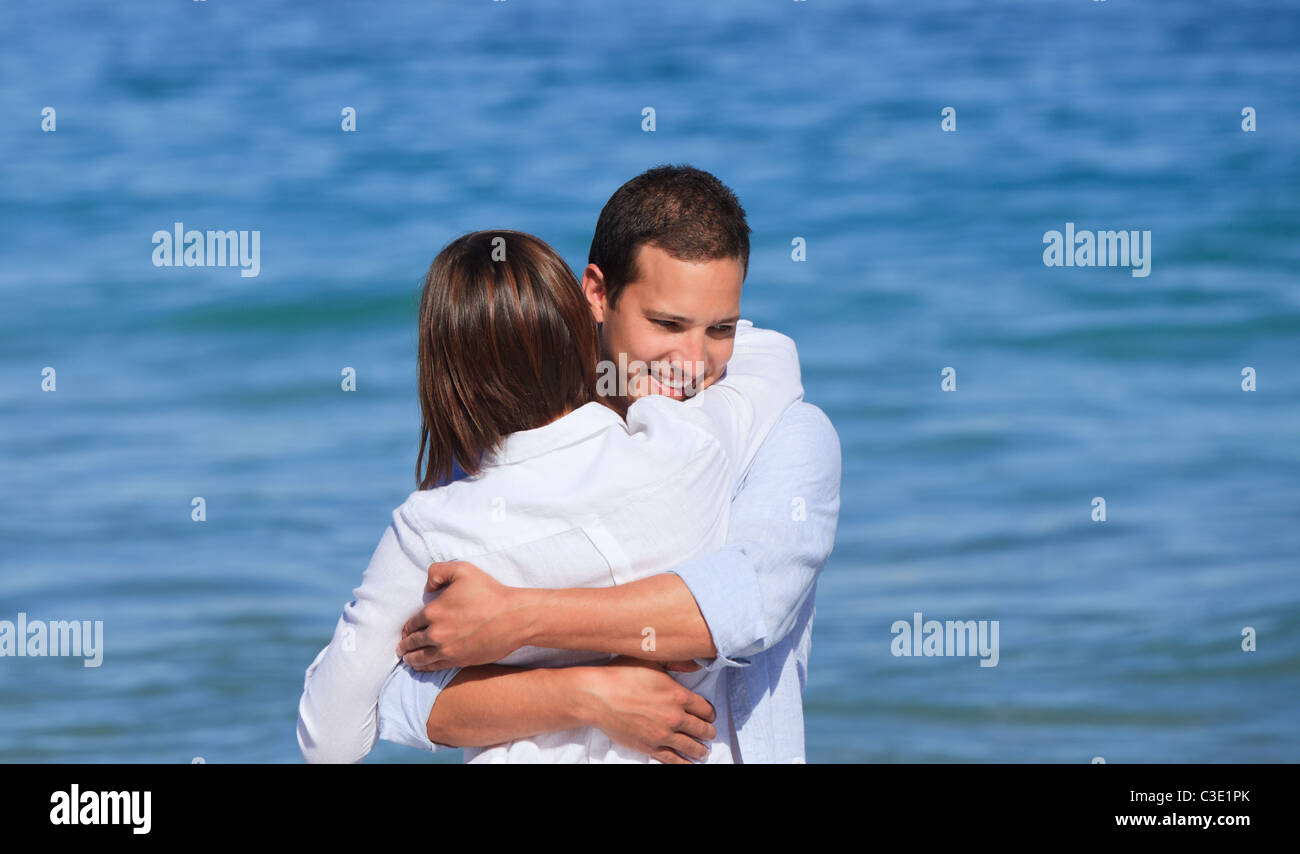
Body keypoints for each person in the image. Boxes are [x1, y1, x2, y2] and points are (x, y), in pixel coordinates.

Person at [375, 166, 842, 763]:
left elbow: (747, 605)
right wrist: (584, 695)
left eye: (720, 329)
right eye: (666, 324)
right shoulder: (520, 425)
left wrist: (519, 620)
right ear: (597, 292)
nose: (694, 363)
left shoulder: (788, 435)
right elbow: (402, 696)